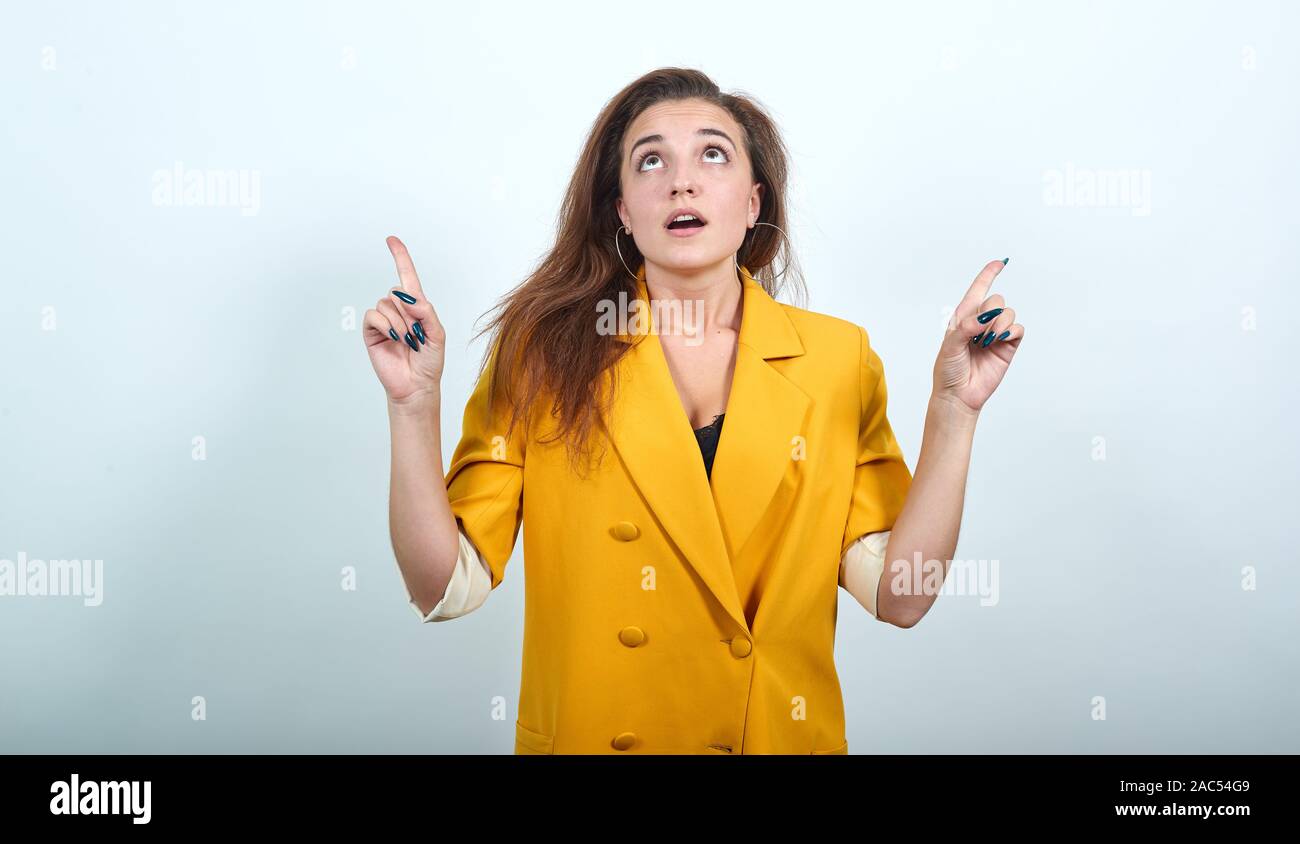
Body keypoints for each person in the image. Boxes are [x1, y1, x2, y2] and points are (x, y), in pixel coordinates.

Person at [363, 68, 1024, 754]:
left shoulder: (837, 360)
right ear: (621, 208)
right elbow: (442, 587)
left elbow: (901, 596)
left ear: (751, 201)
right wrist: (414, 406)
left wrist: (954, 411)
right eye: (651, 160)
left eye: (713, 154)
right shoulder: (543, 353)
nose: (682, 181)